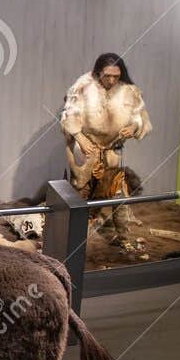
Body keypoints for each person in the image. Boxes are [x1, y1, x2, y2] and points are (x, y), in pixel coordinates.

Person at [59, 52, 151, 245]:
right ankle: (75, 238)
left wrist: (134, 127)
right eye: (107, 75)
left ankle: (123, 236)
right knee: (81, 192)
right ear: (98, 72)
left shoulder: (129, 91)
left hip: (112, 151)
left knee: (117, 192)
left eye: (116, 76)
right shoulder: (83, 86)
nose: (111, 80)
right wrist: (80, 137)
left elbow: (141, 118)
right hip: (86, 150)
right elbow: (69, 115)